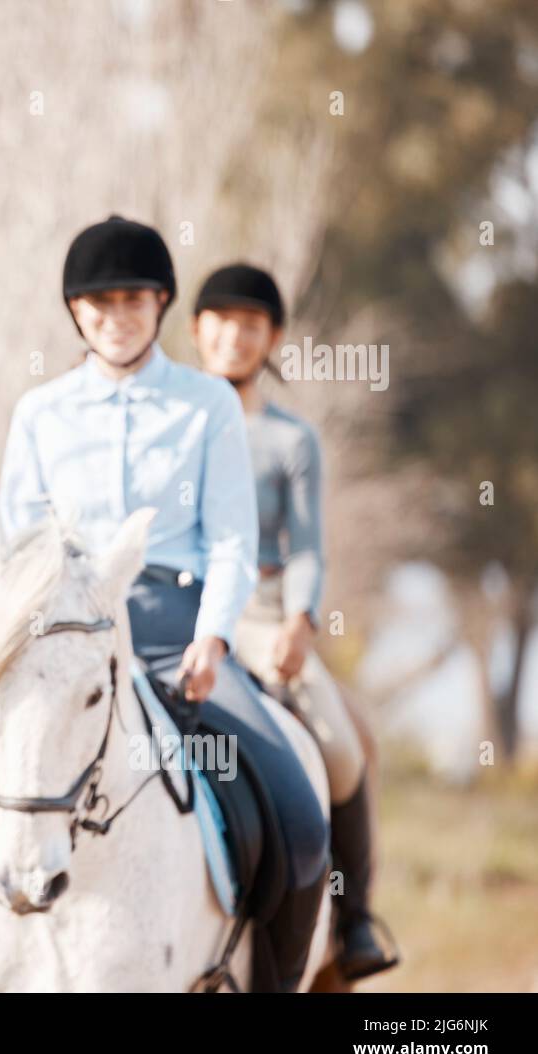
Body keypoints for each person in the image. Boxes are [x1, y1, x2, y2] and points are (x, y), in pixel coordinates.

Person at [0, 215, 330, 992]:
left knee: (303, 819)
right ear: (76, 312)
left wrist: (214, 638)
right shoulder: (40, 413)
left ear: (162, 304)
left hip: (176, 634)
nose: (118, 316)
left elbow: (232, 543)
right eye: (100, 302)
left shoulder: (207, 404)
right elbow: (20, 546)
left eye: (135, 300)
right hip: (67, 639)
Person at [191, 263, 399, 981]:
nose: (234, 335)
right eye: (220, 319)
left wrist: (301, 623)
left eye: (251, 324)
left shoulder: (291, 441)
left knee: (344, 746)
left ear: (273, 336)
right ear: (196, 329)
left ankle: (355, 916)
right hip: (183, 613)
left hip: (266, 615)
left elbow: (307, 546)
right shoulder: (172, 422)